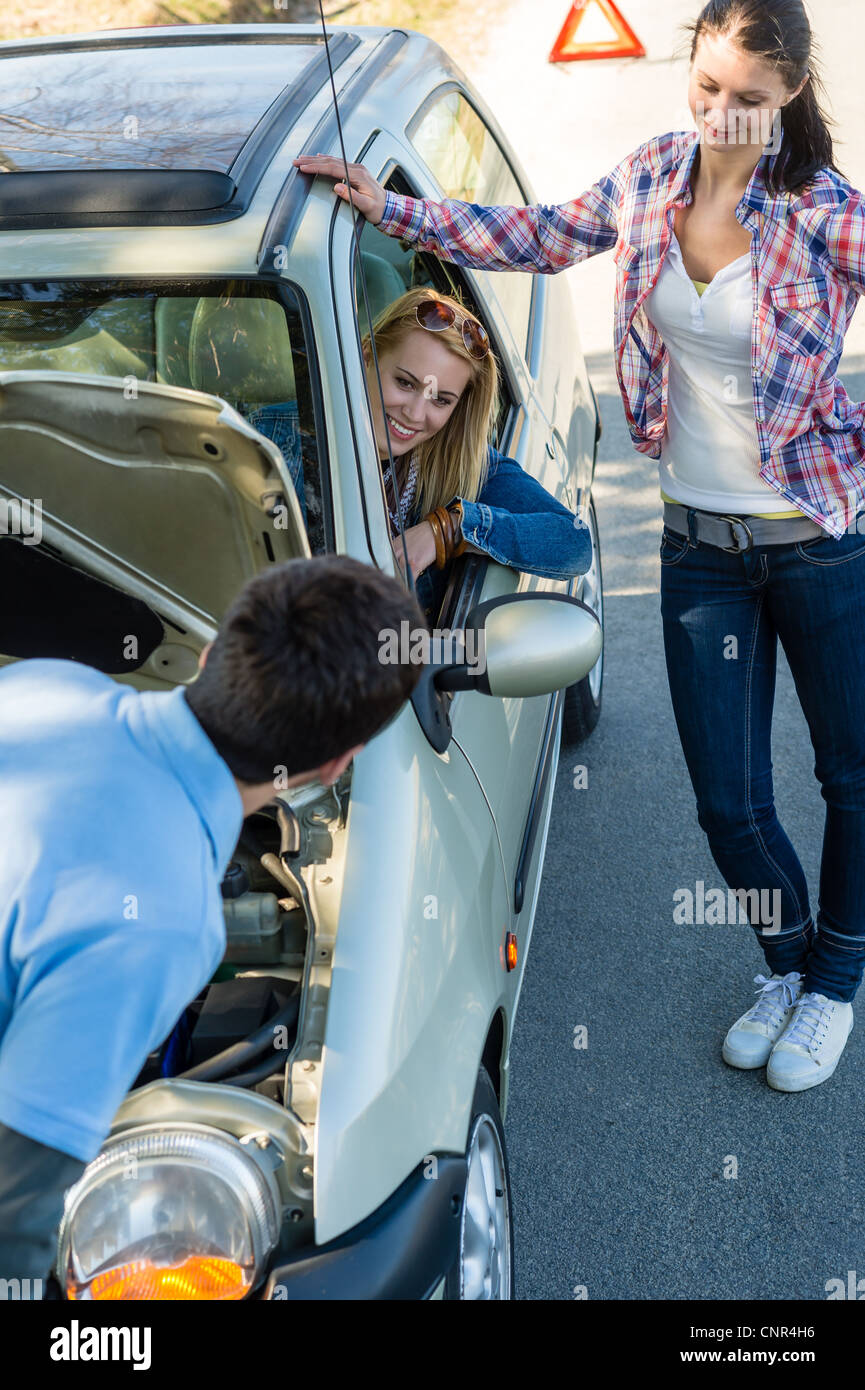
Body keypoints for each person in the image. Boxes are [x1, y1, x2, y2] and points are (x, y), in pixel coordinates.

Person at [294, 0, 865, 1092]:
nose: (720, 116)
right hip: (699, 545)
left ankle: (833, 984)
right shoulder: (655, 176)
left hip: (818, 539)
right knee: (727, 803)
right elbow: (542, 236)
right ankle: (787, 966)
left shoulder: (825, 213)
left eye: (748, 99)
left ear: (790, 90)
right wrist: (400, 212)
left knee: (850, 776)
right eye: (705, 89)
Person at [0, 555, 425, 1285]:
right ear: (336, 765)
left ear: (206, 655)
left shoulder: (43, 685)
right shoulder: (161, 922)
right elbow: (13, 1204)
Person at [359, 286, 593, 616]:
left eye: (440, 400)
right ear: (367, 355)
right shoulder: (280, 435)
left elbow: (574, 543)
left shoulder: (463, 465)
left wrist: (449, 529)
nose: (414, 413)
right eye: (405, 383)